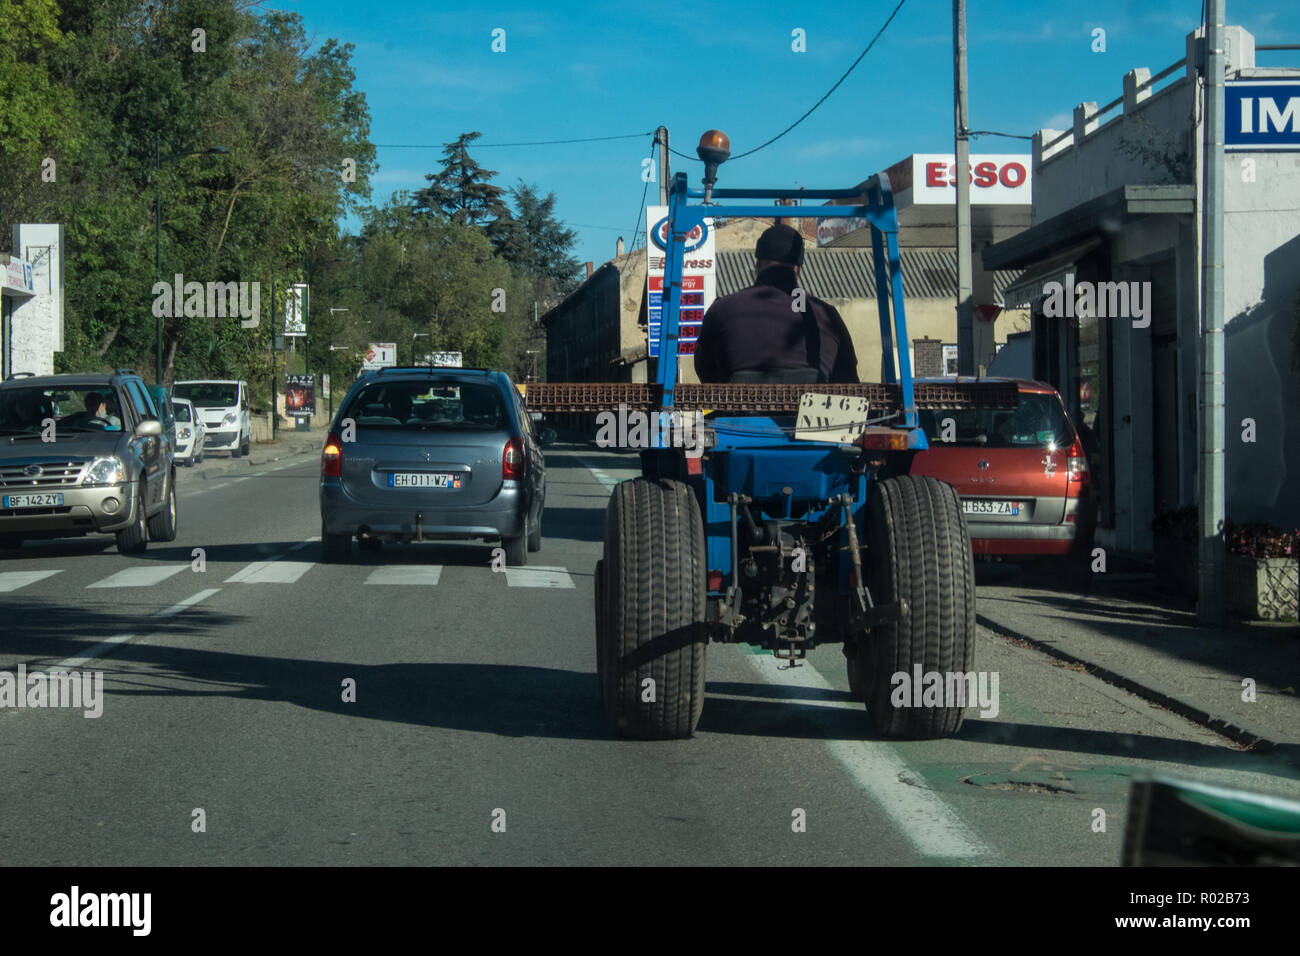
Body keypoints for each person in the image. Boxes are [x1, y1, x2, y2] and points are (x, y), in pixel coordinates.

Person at [694, 223, 858, 384]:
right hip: (811, 410)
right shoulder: (826, 315)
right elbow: (847, 379)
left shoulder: (722, 309)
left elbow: (706, 372)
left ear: (758, 264)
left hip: (738, 411)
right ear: (799, 268)